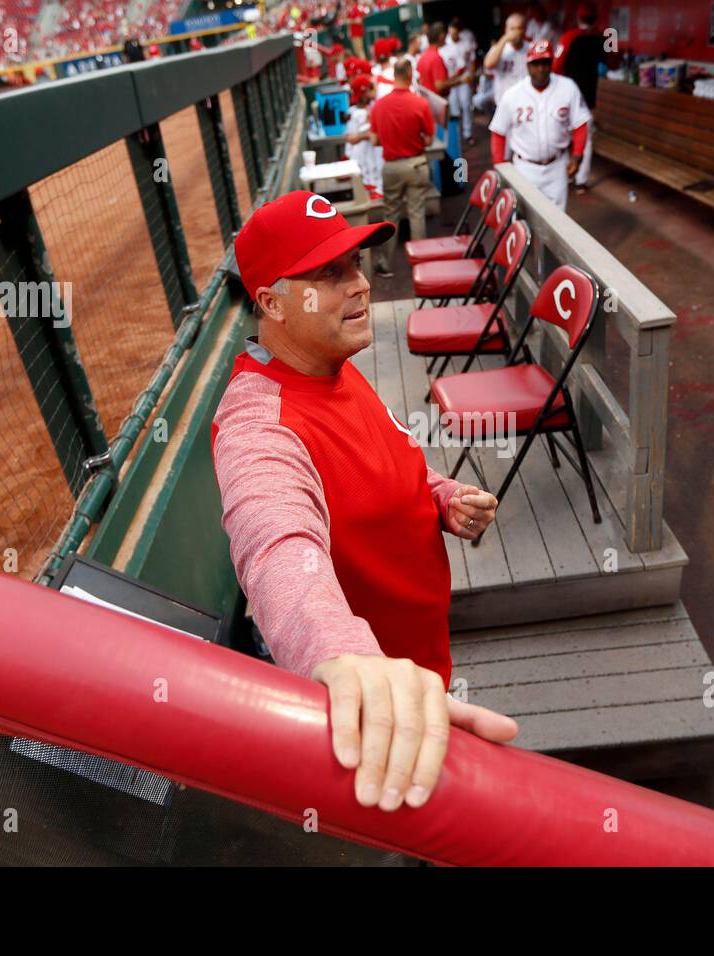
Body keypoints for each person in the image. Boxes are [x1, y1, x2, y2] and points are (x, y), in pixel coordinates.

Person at [213, 191, 514, 813]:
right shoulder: (258, 424)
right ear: (271, 302)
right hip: (375, 712)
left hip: (419, 658)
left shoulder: (329, 361)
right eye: (328, 274)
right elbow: (276, 542)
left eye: (355, 266)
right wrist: (341, 657)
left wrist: (441, 494)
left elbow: (391, 455)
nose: (360, 286)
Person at [489, 39, 590, 211]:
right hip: (524, 168)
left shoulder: (568, 87)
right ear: (528, 65)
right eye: (536, 64)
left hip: (557, 166)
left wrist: (577, 155)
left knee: (557, 225)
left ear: (552, 63)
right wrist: (502, 168)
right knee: (522, 221)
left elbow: (580, 123)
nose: (541, 69)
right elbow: (498, 132)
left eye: (545, 63)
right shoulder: (512, 95)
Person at [370, 58, 435, 277]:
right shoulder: (420, 103)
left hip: (391, 167)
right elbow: (428, 140)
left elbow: (374, 140)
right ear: (409, 76)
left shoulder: (379, 105)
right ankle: (421, 263)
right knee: (417, 214)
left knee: (391, 215)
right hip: (416, 164)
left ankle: (385, 264)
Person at [552, 2, 612, 195]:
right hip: (587, 97)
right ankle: (581, 181)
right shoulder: (600, 38)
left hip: (566, 95)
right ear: (594, 18)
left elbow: (554, 66)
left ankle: (566, 176)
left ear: (578, 18)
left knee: (563, 136)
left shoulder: (569, 36)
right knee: (585, 138)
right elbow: (611, 61)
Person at [483, 12, 529, 118]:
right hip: (504, 104)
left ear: (525, 30)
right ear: (506, 30)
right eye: (512, 29)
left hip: (526, 104)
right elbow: (489, 64)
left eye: (519, 28)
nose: (516, 32)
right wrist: (504, 40)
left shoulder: (530, 48)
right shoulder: (499, 49)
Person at [344, 73, 382, 197]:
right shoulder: (354, 112)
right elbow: (351, 139)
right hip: (363, 157)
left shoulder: (374, 106)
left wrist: (360, 136)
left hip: (373, 155)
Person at [443, 18, 477, 145]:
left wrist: (472, 75)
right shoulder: (445, 44)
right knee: (454, 107)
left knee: (466, 105)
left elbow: (472, 61)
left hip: (464, 79)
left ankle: (468, 134)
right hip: (451, 80)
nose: (453, 35)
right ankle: (457, 135)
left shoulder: (465, 42)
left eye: (455, 32)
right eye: (451, 32)